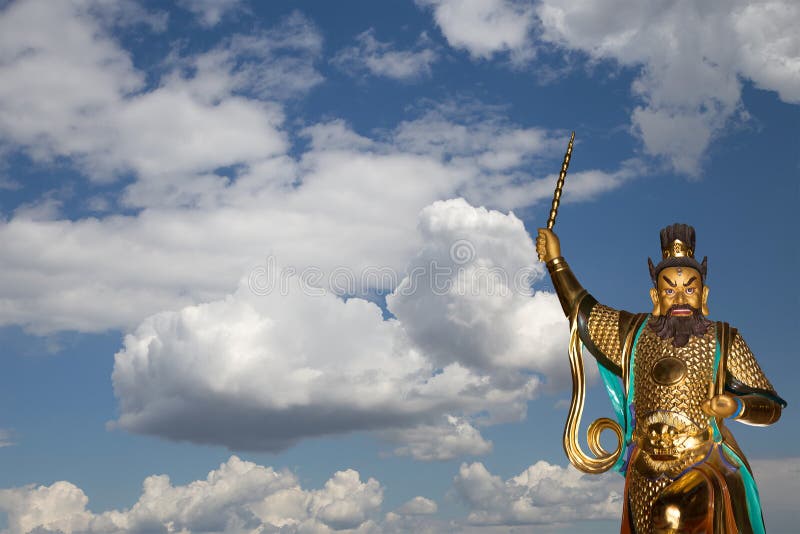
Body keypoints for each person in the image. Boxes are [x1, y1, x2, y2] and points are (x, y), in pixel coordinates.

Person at [536, 223, 785, 534]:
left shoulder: (724, 339)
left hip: (701, 463)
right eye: (670, 290)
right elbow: (583, 311)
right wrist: (555, 261)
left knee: (671, 514)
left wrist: (736, 407)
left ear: (704, 294)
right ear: (655, 295)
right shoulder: (633, 334)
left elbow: (770, 408)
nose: (680, 298)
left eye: (689, 289)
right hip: (645, 468)